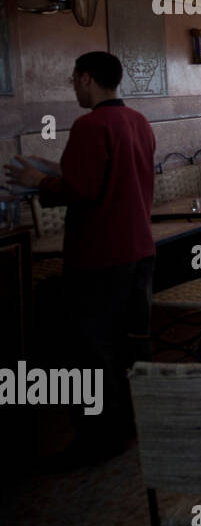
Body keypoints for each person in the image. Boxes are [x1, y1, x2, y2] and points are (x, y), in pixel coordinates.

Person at [4, 51, 156, 465]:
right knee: (128, 345)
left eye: (74, 80)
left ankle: (97, 439)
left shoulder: (92, 125)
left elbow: (84, 192)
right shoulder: (137, 122)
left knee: (90, 350)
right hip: (140, 249)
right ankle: (130, 426)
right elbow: (114, 176)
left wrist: (40, 182)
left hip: (101, 254)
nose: (73, 87)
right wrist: (50, 171)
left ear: (86, 78)